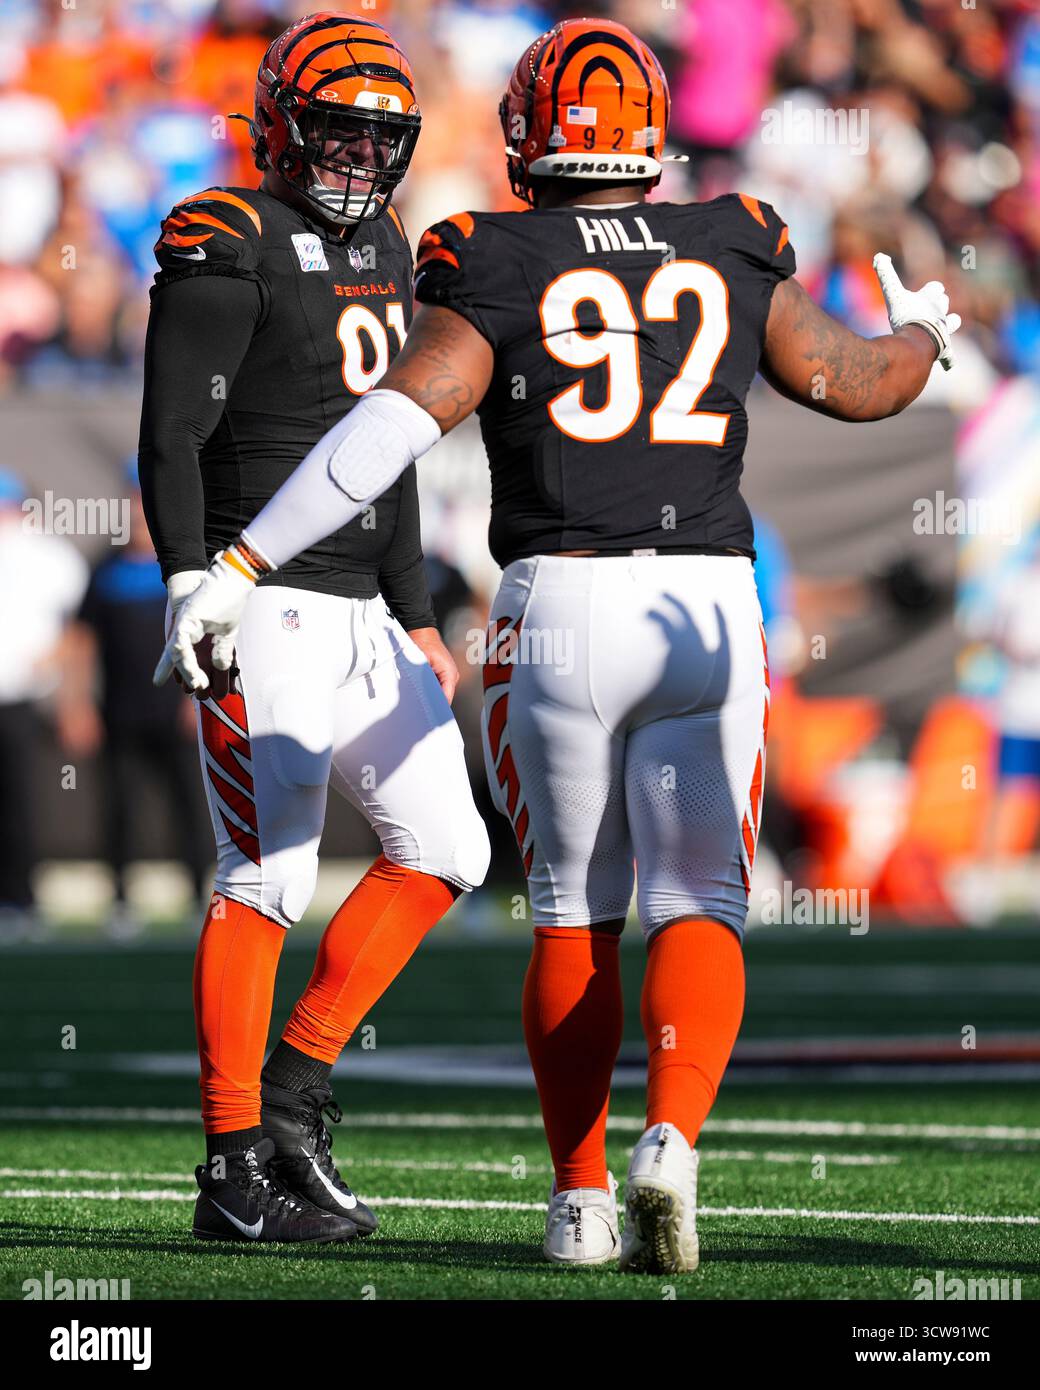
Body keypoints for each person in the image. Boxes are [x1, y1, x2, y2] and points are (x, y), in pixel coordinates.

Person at [157, 17, 960, 1273]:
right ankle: (670, 1141)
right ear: (650, 133)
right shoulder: (732, 237)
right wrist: (926, 334)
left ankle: (578, 1197)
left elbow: (388, 431)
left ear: (527, 133)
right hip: (703, 605)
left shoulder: (486, 252)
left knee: (569, 915)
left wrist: (241, 562)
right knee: (700, 897)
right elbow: (856, 380)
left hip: (554, 612)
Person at [139, 12, 489, 1246]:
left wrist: (417, 611)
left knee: (448, 846)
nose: (355, 156)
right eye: (336, 127)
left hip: (363, 609)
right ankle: (233, 1165)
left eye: (375, 136)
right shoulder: (222, 232)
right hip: (260, 595)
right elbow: (173, 432)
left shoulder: (389, 239)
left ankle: (291, 1096)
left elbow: (381, 452)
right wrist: (192, 580)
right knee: (268, 875)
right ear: (283, 120)